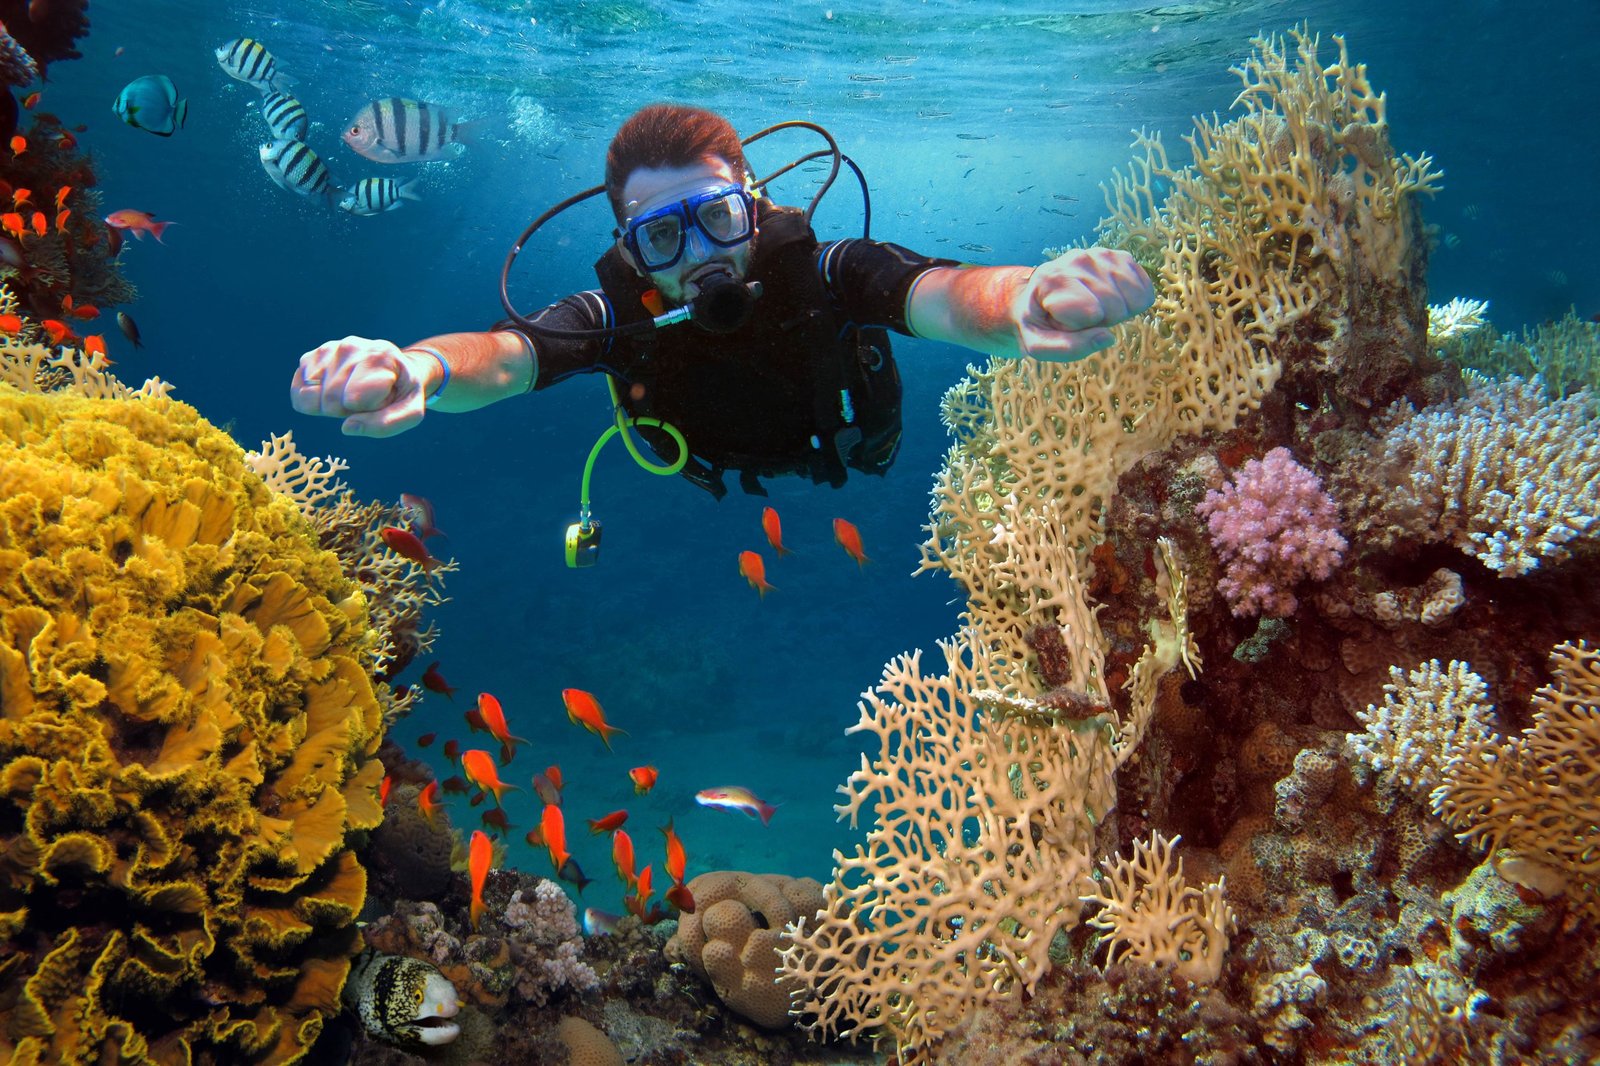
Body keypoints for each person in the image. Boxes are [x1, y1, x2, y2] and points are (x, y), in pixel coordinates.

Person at [291, 103, 1154, 498]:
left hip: (848, 450)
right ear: (630, 249)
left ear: (755, 201)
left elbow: (936, 293)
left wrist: (1025, 298)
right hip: (708, 468)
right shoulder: (619, 312)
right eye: (663, 237)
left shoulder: (825, 269)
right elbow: (510, 355)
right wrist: (422, 366)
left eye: (715, 216)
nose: (699, 254)